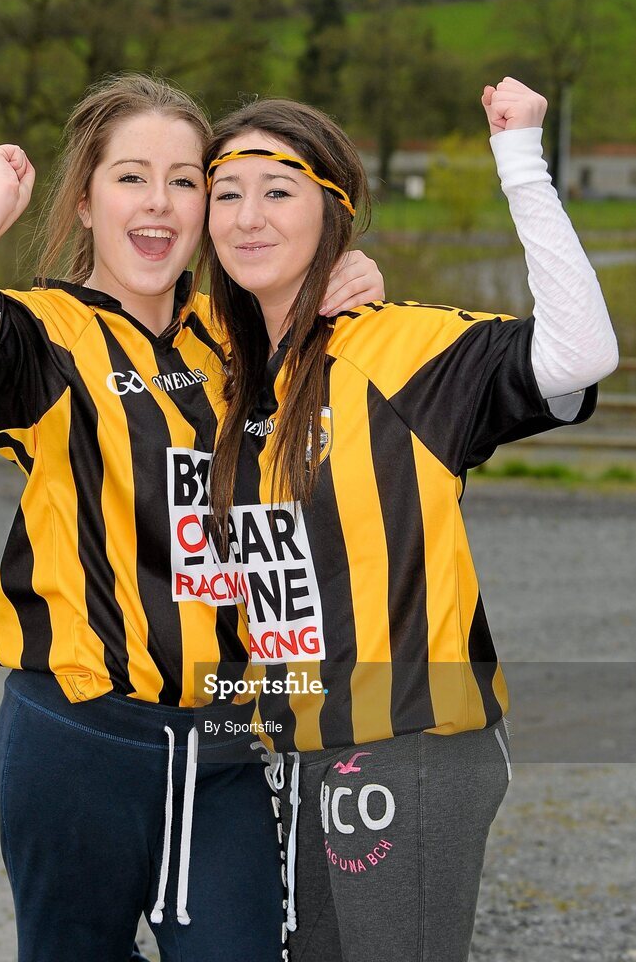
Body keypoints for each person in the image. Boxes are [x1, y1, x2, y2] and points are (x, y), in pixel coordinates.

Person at [0, 73, 385, 962]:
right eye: (129, 177)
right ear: (85, 201)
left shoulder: (241, 334)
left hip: (229, 739)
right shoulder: (43, 337)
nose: (158, 201)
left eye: (184, 180)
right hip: (78, 735)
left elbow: (342, 346)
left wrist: (350, 277)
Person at [198, 78, 619, 962]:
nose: (247, 217)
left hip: (407, 744)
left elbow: (581, 351)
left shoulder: (402, 350)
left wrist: (519, 158)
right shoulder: (216, 364)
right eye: (225, 194)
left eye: (278, 192)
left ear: (334, 214)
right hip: (287, 749)